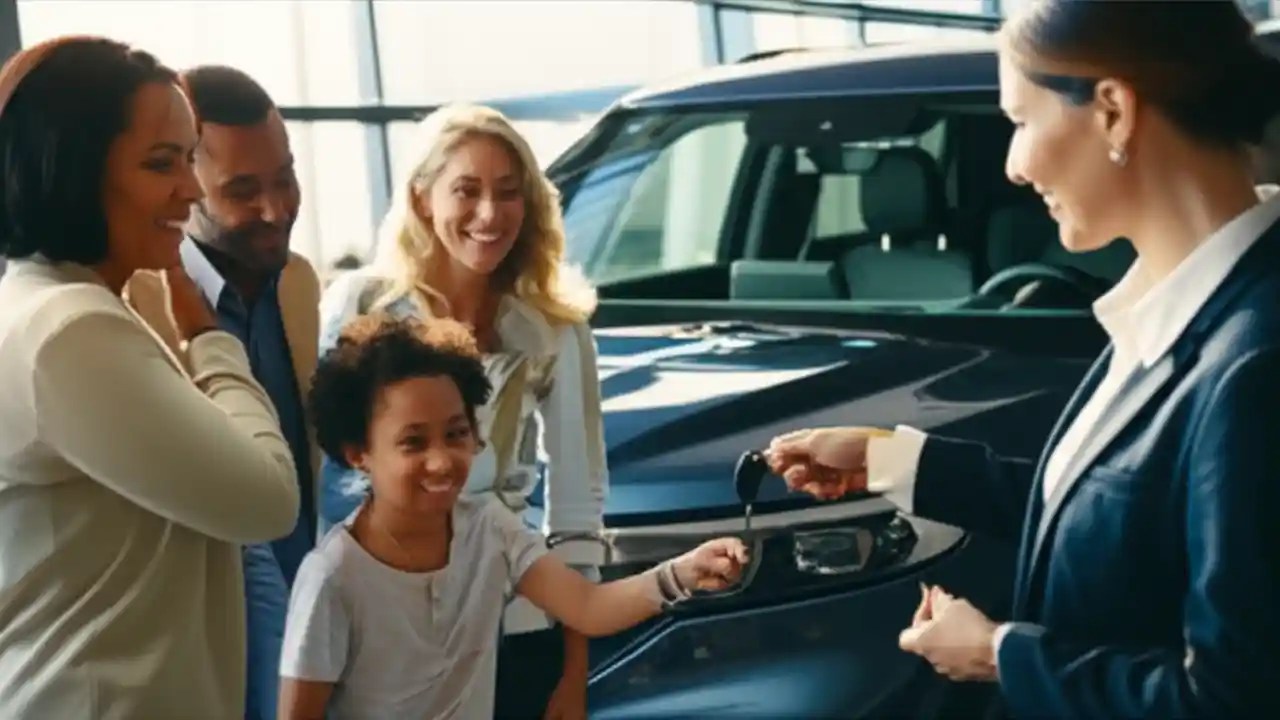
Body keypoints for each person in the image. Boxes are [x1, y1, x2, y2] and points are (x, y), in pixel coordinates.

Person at [767, 1, 1280, 717]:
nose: (1012, 166)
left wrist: (1001, 653)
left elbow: (1234, 701)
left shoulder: (1255, 360)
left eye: (1020, 120)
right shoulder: (1183, 306)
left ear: (1112, 111)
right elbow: (1135, 517)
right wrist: (896, 463)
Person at [0, 36, 299, 717]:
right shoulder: (69, 327)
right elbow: (268, 499)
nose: (192, 190)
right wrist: (210, 342)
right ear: (72, 171)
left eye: (190, 159)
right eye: (163, 163)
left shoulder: (52, 305)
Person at [279, 313, 746, 720]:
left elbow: (588, 607)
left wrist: (682, 574)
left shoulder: (490, 526)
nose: (442, 461)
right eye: (413, 443)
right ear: (359, 452)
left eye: (457, 433)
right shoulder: (332, 578)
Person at [318, 103, 607, 717]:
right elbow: (331, 489)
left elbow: (579, 515)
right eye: (466, 191)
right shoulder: (360, 306)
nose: (489, 214)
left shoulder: (556, 331)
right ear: (423, 199)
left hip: (520, 638)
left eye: (508, 193)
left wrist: (574, 673)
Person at [123, 64, 319, 720]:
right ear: (187, 185)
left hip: (307, 611)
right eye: (243, 190)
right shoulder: (135, 306)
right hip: (202, 635)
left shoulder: (298, 284)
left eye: (285, 177)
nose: (277, 209)